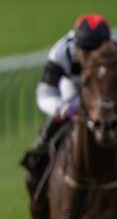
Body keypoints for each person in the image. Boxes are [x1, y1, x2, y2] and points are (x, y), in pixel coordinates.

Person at [21, 14, 111, 185]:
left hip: (106, 99)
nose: (91, 57)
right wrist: (64, 110)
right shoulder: (62, 52)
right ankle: (38, 177)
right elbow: (44, 94)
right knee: (41, 149)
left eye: (97, 51)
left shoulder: (113, 53)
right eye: (86, 50)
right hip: (73, 95)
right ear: (77, 46)